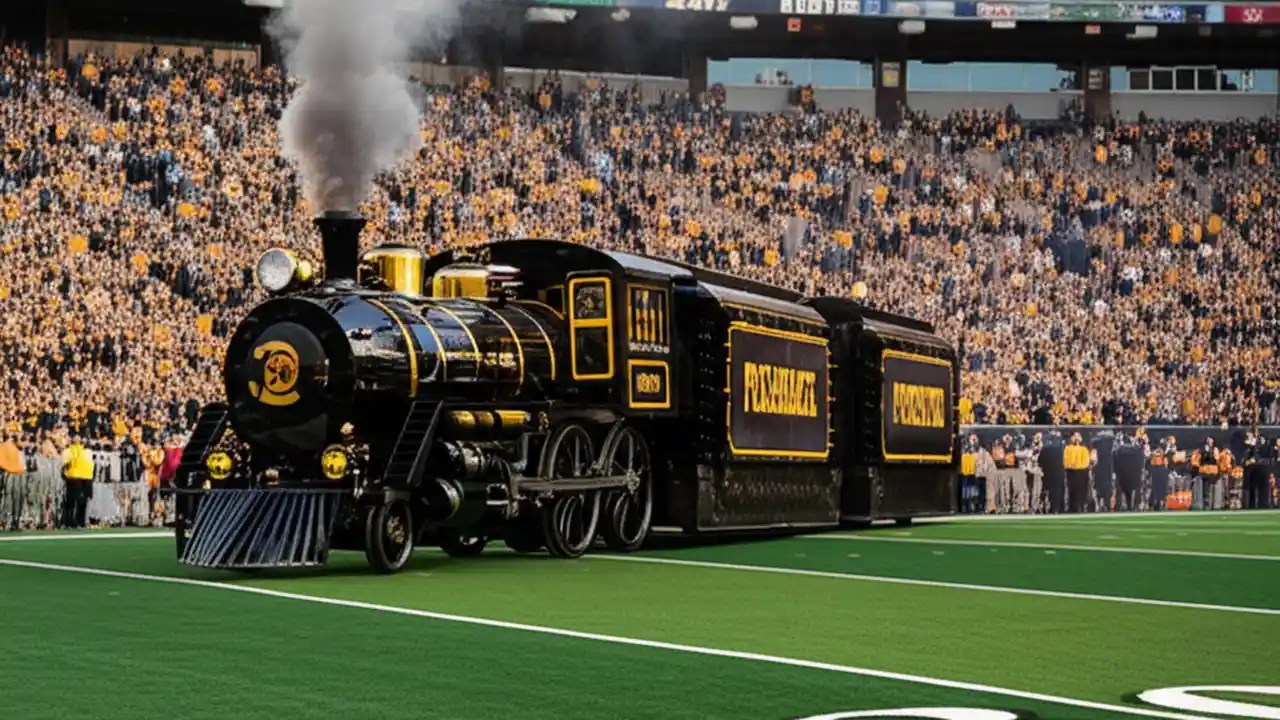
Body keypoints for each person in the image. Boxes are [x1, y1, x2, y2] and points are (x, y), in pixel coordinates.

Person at [60, 435, 95, 529]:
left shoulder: (87, 451)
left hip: (85, 477)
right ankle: (69, 521)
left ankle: (80, 521)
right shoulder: (68, 451)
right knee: (72, 501)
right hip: (75, 477)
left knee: (82, 501)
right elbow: (64, 464)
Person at [0, 432, 26, 530]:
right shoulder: (3, 446)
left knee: (18, 498)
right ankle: (7, 521)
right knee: (9, 498)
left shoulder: (17, 446)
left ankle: (16, 521)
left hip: (19, 474)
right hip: (10, 473)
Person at [1063, 432, 1091, 513]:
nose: (1076, 438)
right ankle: (1072, 507)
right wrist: (1071, 466)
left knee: (1081, 491)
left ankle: (1081, 506)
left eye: (1078, 436)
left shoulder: (1084, 449)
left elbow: (1086, 462)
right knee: (1072, 491)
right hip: (1071, 472)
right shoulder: (1068, 448)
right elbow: (1066, 461)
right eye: (1074, 436)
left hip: (1082, 472)